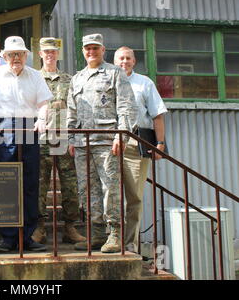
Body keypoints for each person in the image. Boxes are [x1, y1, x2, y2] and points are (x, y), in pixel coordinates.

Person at [67, 33, 137, 253]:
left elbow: (126, 107)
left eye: (95, 48)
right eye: (87, 48)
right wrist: (70, 138)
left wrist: (121, 135)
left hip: (107, 141)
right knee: (87, 189)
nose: (91, 52)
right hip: (81, 143)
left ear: (102, 50)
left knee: (111, 188)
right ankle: (96, 233)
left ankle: (114, 233)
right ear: (83, 51)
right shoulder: (77, 78)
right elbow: (71, 111)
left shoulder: (115, 73)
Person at [0, 36, 53, 252]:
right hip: (4, 128)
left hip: (29, 128)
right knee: (6, 184)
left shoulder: (35, 76)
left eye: (20, 54)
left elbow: (44, 103)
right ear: (4, 57)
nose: (16, 58)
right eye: (12, 54)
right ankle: (7, 237)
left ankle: (27, 237)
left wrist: (42, 119)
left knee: (30, 184)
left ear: (26, 56)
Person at [31, 37, 85, 245]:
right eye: (46, 51)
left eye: (53, 51)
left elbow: (75, 109)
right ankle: (39, 227)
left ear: (57, 54)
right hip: (41, 138)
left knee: (70, 184)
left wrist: (74, 135)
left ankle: (70, 227)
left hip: (64, 138)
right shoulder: (34, 78)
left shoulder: (69, 80)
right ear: (40, 54)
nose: (50, 55)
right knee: (40, 184)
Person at [114, 46, 167, 253]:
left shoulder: (144, 83)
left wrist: (160, 143)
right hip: (110, 143)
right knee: (109, 194)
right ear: (114, 61)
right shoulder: (108, 81)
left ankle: (129, 245)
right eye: (120, 58)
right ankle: (109, 240)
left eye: (128, 58)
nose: (124, 62)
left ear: (134, 61)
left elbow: (157, 115)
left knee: (134, 197)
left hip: (136, 143)